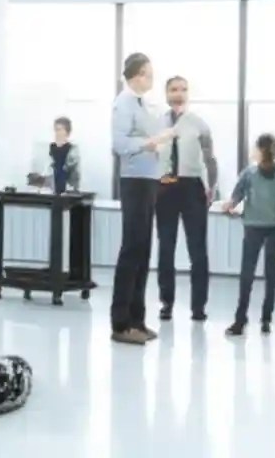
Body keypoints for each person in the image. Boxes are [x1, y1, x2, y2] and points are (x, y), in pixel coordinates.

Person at [110, 52, 175, 345]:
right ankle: (121, 323)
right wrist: (152, 142)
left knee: (144, 250)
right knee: (131, 250)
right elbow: (120, 144)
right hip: (134, 182)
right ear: (136, 75)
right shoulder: (123, 103)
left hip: (149, 181)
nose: (151, 78)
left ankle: (137, 319)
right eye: (148, 73)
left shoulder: (142, 105)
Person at [154, 76, 220, 321]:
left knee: (197, 250)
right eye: (173, 89)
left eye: (183, 89)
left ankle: (198, 306)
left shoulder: (199, 124)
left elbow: (210, 160)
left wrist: (212, 187)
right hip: (165, 188)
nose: (178, 93)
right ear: (166, 93)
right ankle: (166, 303)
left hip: (192, 187)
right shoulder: (156, 124)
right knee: (166, 248)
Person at [222, 134, 275, 337]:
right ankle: (266, 319)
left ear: (261, 151)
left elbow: (236, 195)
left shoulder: (250, 173)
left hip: (255, 227)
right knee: (271, 275)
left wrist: (231, 206)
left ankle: (240, 320)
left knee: (247, 274)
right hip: (273, 228)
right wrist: (232, 205)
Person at [48, 116, 82, 193]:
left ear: (67, 132)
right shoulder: (51, 148)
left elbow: (73, 175)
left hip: (67, 192)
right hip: (51, 192)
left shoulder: (72, 150)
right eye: (55, 130)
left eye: (59, 130)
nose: (57, 133)